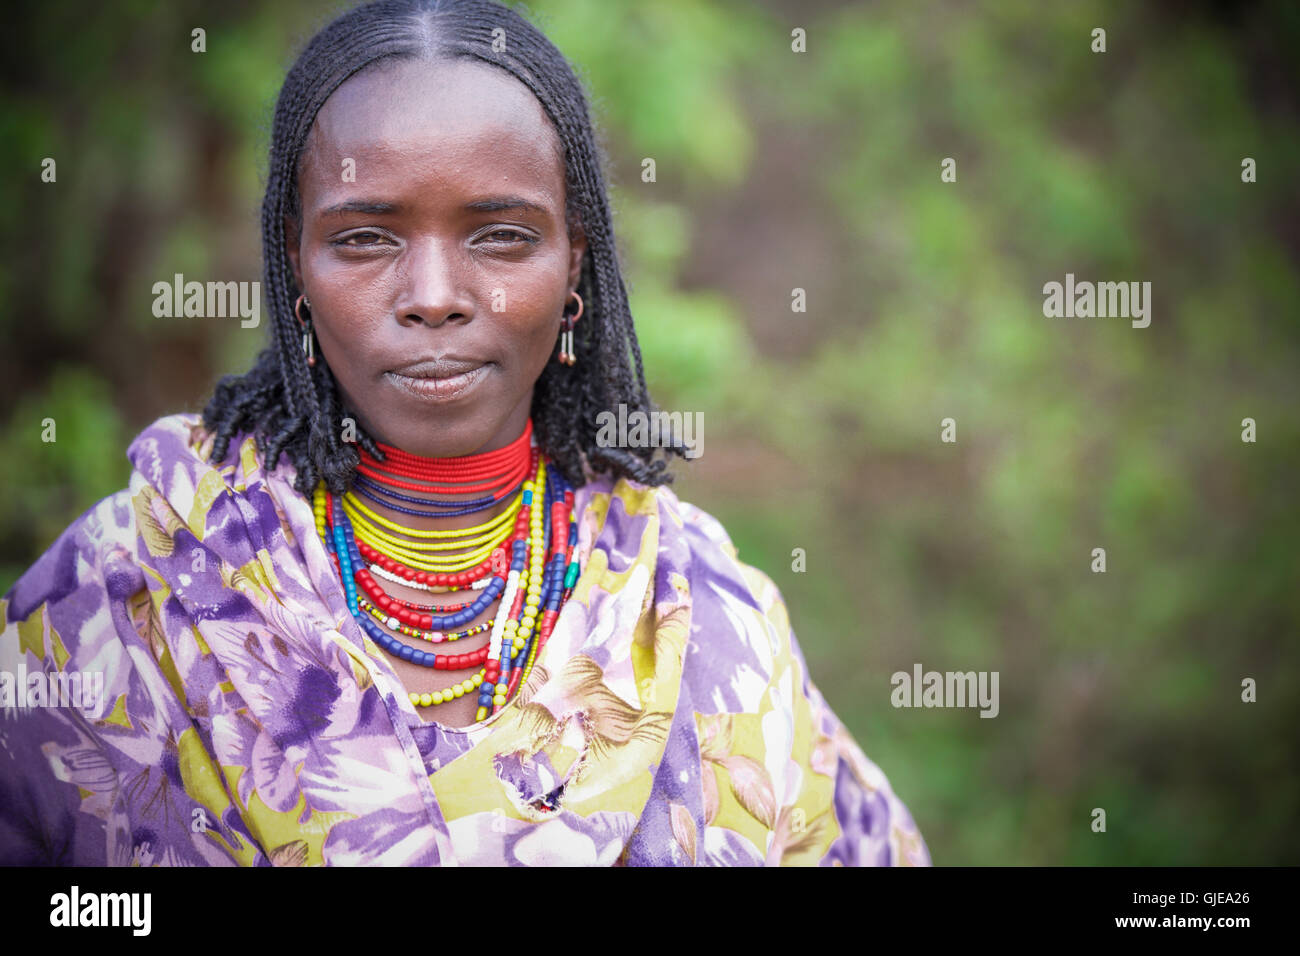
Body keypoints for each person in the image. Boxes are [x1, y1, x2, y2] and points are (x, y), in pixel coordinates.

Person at [0, 0, 930, 866]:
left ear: (576, 263)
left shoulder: (704, 614)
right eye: (365, 238)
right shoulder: (131, 593)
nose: (435, 297)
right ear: (296, 264)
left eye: (501, 237)